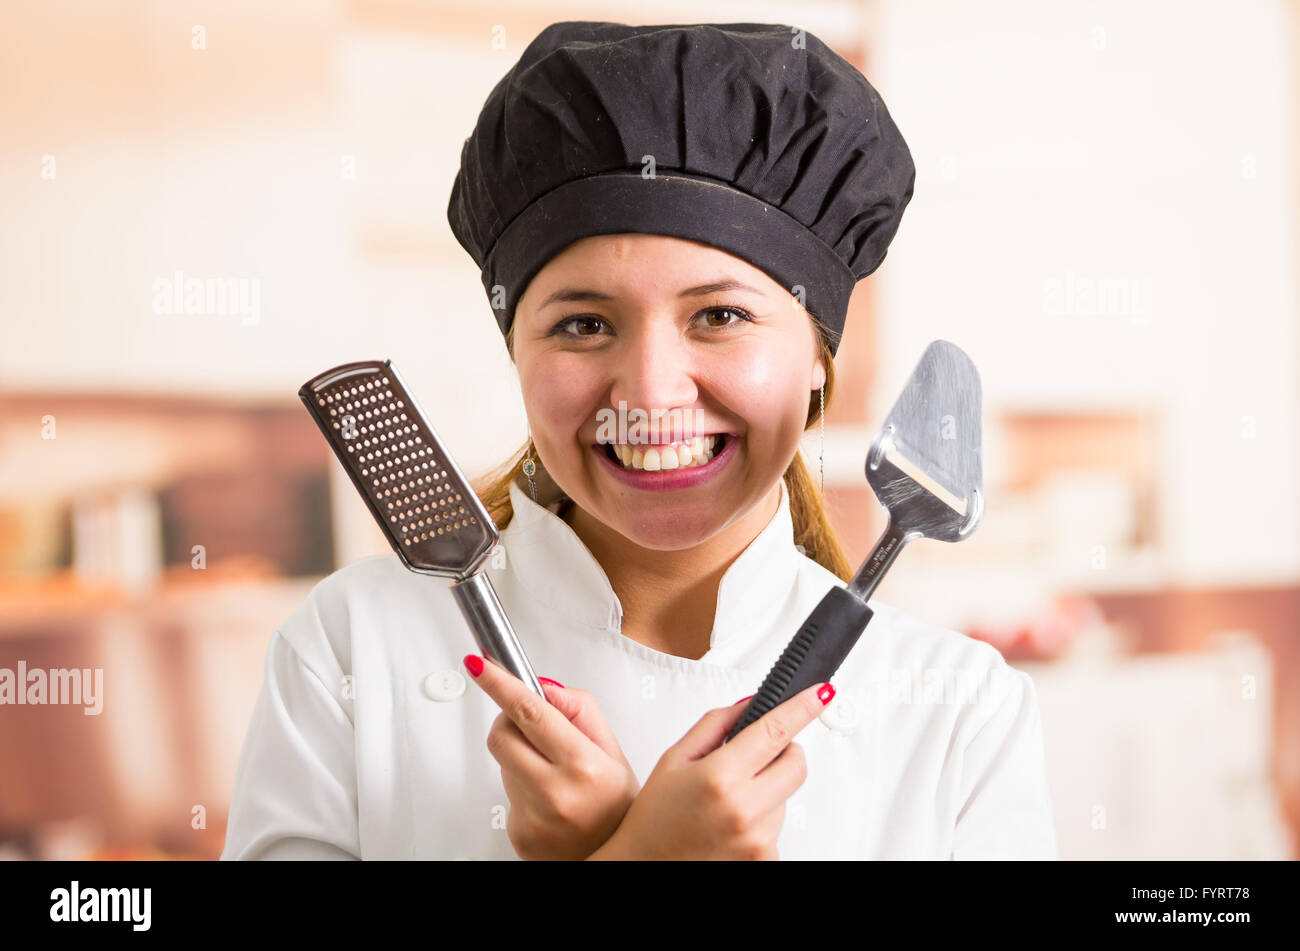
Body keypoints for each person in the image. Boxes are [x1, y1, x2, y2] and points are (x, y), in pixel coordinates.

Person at [220, 21, 1058, 860]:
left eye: (720, 316)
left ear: (816, 358)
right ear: (516, 353)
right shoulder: (352, 644)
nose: (651, 393)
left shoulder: (959, 712)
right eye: (584, 324)